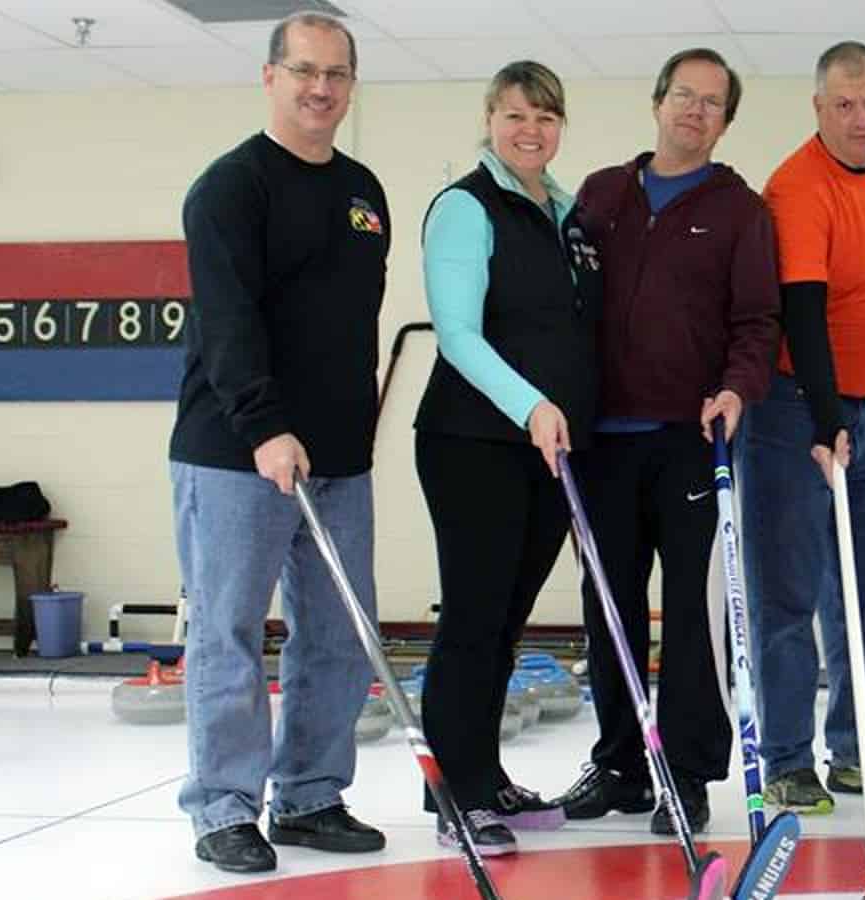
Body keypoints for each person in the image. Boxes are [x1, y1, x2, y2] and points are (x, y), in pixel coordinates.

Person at [170, 11, 388, 874]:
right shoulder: (230, 187)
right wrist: (265, 425)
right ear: (271, 76)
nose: (321, 88)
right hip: (235, 453)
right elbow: (226, 323)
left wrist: (345, 435)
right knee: (227, 630)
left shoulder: (364, 190)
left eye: (336, 73)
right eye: (304, 71)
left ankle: (308, 794)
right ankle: (223, 807)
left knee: (337, 633)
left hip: (338, 460)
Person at [552, 48, 779, 836]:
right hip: (599, 444)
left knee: (692, 616)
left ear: (725, 121)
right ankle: (619, 763)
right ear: (657, 103)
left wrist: (737, 389)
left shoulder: (742, 211)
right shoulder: (601, 194)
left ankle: (683, 774)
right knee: (607, 609)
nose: (694, 110)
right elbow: (562, 301)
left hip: (691, 439)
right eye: (684, 95)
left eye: (712, 102)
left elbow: (757, 324)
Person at [741, 39, 865, 815]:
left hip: (861, 407)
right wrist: (828, 423)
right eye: (846, 106)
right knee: (790, 595)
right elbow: (802, 309)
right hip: (794, 409)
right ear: (819, 109)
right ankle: (790, 761)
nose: (862, 119)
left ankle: (862, 750)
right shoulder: (797, 187)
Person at [412, 60, 601, 855]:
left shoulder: (566, 213)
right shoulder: (465, 207)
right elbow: (457, 335)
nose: (532, 130)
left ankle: (485, 778)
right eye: (517, 115)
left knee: (506, 622)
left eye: (547, 118)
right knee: (473, 618)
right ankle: (454, 795)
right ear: (491, 118)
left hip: (547, 451)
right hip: (474, 444)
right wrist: (532, 406)